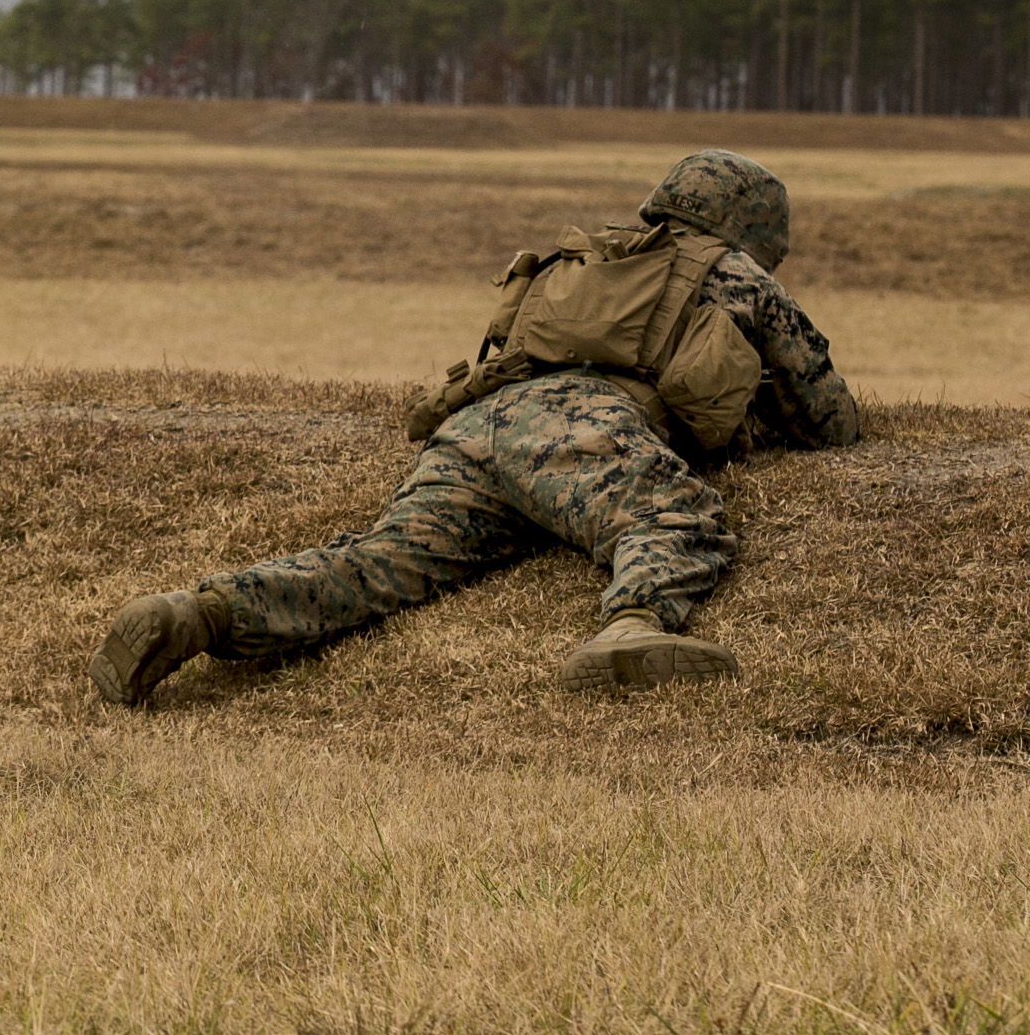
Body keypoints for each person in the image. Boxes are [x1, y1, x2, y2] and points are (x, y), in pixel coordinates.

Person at [90, 149, 860, 706]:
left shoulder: (590, 253)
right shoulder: (736, 273)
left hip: (479, 426)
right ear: (753, 228)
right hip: (587, 429)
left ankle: (200, 612)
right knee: (672, 519)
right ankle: (633, 627)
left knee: (377, 564)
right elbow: (829, 420)